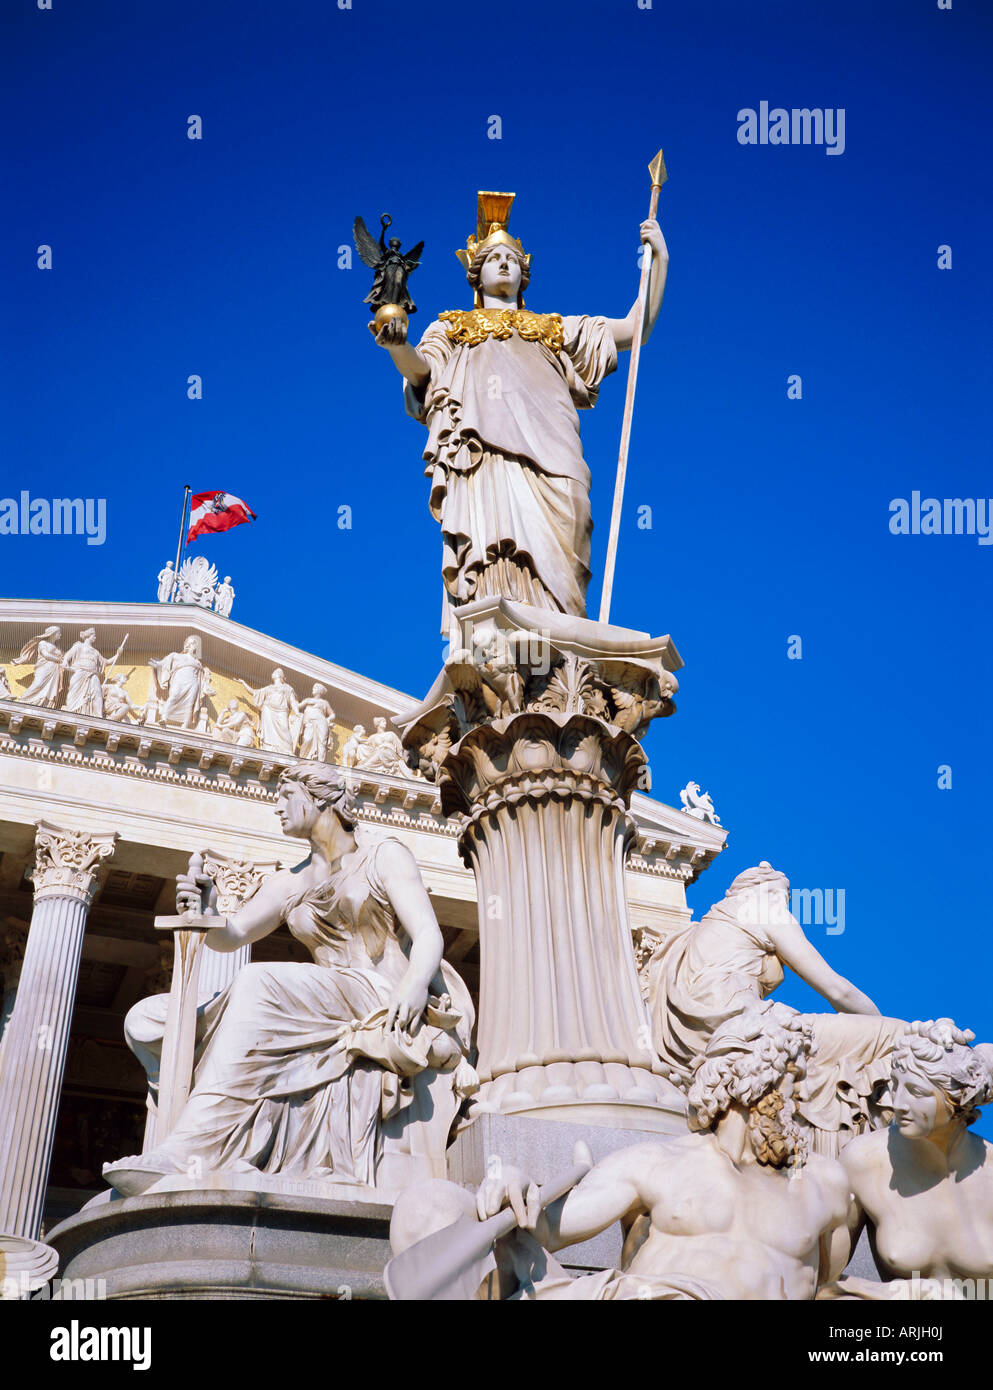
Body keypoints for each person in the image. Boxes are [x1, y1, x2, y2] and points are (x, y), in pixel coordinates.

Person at [106, 765, 476, 1195]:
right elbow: (235, 934)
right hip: (327, 999)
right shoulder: (290, 881)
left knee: (257, 981)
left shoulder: (384, 855)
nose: (276, 807)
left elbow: (429, 934)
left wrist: (413, 988)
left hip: (380, 994)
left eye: (285, 795)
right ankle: (202, 1136)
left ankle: (192, 1149)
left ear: (317, 798)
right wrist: (209, 910)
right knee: (149, 1018)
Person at [391, 1006, 854, 1300]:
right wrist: (515, 1186)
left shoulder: (824, 1186)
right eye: (790, 1078)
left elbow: (826, 1286)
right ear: (749, 1081)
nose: (800, 1097)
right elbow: (546, 1231)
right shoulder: (659, 1164)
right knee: (427, 1206)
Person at [371, 193, 668, 633]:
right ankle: (505, 658)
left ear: (524, 271)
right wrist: (398, 345)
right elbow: (422, 375)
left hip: (555, 455)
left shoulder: (555, 329)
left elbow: (636, 327)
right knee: (495, 557)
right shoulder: (451, 328)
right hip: (486, 457)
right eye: (493, 258)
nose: (504, 264)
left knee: (572, 522)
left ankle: (563, 653)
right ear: (477, 273)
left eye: (512, 258)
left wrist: (658, 258)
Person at [647, 861, 904, 1155]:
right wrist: (878, 1028)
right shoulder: (763, 910)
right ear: (769, 893)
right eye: (785, 899)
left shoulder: (701, 929)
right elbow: (836, 989)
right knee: (900, 1039)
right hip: (753, 1032)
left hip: (707, 1046)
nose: (787, 907)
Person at [821, 1019, 993, 1299]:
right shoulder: (865, 1161)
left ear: (959, 1099)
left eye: (916, 1092)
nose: (898, 1103)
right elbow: (819, 1284)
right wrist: (906, 1291)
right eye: (895, 1086)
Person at [62, 628, 127, 717]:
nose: (95, 638)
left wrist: (117, 655)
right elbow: (67, 656)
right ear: (88, 636)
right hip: (80, 672)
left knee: (97, 693)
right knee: (75, 692)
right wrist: (65, 663)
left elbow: (107, 662)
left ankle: (97, 715)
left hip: (93, 674)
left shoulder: (96, 652)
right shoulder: (78, 646)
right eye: (94, 635)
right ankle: (73, 710)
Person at [148, 635, 209, 729]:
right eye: (190, 642)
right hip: (179, 680)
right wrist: (156, 664)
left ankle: (185, 725)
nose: (192, 645)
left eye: (194, 643)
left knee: (189, 705)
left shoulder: (197, 662)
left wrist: (206, 688)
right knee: (173, 697)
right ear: (186, 644)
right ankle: (164, 718)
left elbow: (201, 679)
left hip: (193, 684)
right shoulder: (175, 656)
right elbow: (163, 664)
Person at [237, 669, 300, 754]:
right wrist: (243, 683)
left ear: (280, 675)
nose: (273, 674)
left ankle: (287, 750)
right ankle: (268, 748)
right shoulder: (269, 688)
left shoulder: (287, 688)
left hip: (282, 711)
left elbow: (292, 702)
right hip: (268, 711)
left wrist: (297, 713)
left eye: (275, 672)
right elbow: (254, 692)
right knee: (269, 732)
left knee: (284, 729)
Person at [12, 627, 64, 707]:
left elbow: (64, 657)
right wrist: (58, 659)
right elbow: (45, 654)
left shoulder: (58, 647)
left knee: (52, 688)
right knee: (38, 684)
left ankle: (46, 704)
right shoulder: (43, 643)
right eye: (58, 633)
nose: (60, 635)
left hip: (54, 670)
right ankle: (24, 700)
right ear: (52, 633)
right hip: (44, 668)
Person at [297, 684, 335, 761]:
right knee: (307, 739)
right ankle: (303, 758)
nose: (313, 689)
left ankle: (321, 761)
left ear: (320, 691)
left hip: (321, 722)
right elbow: (297, 706)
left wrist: (328, 719)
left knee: (322, 742)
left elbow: (332, 714)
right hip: (309, 722)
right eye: (313, 687)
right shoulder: (308, 700)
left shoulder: (324, 702)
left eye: (316, 688)